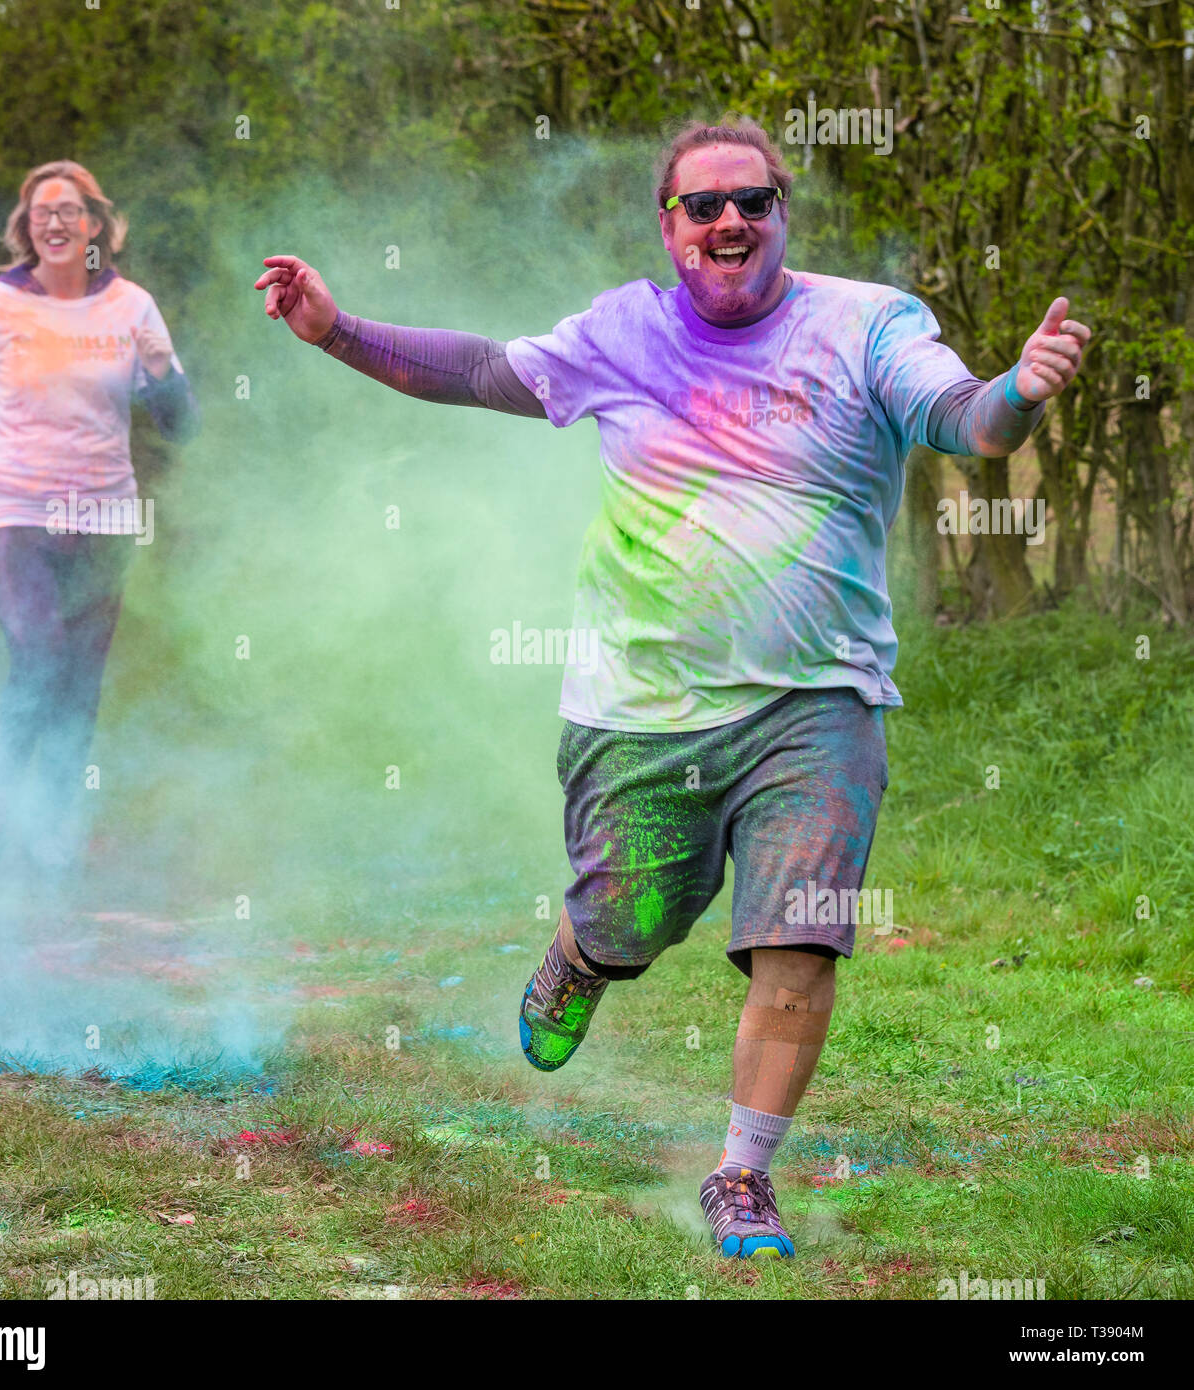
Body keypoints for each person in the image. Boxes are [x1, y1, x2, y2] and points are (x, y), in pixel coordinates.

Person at [254, 117, 1090, 1259]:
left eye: (753, 199)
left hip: (818, 697)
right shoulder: (622, 332)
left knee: (802, 936)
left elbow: (963, 421)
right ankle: (580, 957)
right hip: (640, 705)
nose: (730, 219)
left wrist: (1020, 392)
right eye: (705, 205)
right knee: (631, 917)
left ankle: (740, 1175)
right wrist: (336, 330)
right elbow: (486, 370)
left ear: (782, 214)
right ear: (671, 226)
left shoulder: (867, 324)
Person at [0, 159, 199, 869]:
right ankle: (0, 794)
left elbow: (179, 423)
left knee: (80, 682)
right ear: (26, 228)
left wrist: (163, 373)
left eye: (69, 211)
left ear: (96, 224)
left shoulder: (133, 307)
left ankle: (55, 824)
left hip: (104, 516)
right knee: (38, 649)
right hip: (14, 507)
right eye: (41, 213)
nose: (55, 223)